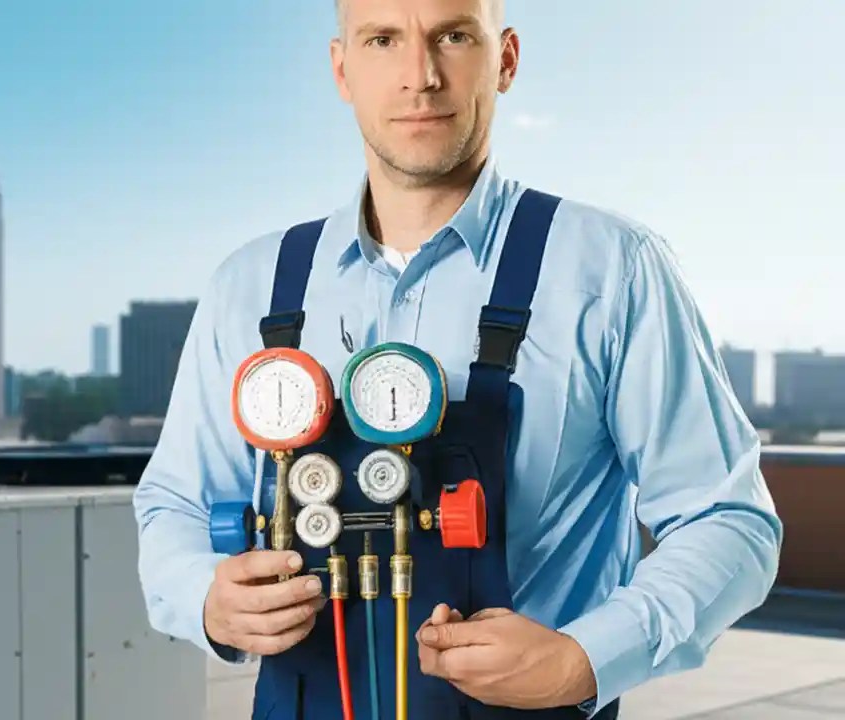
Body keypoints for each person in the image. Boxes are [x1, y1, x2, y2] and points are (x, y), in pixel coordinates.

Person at [132, 0, 783, 717]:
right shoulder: (251, 287)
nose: (421, 75)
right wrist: (205, 596)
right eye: (383, 39)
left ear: (504, 58)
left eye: (452, 35)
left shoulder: (610, 270)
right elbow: (174, 503)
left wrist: (584, 657)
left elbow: (729, 520)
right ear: (342, 68)